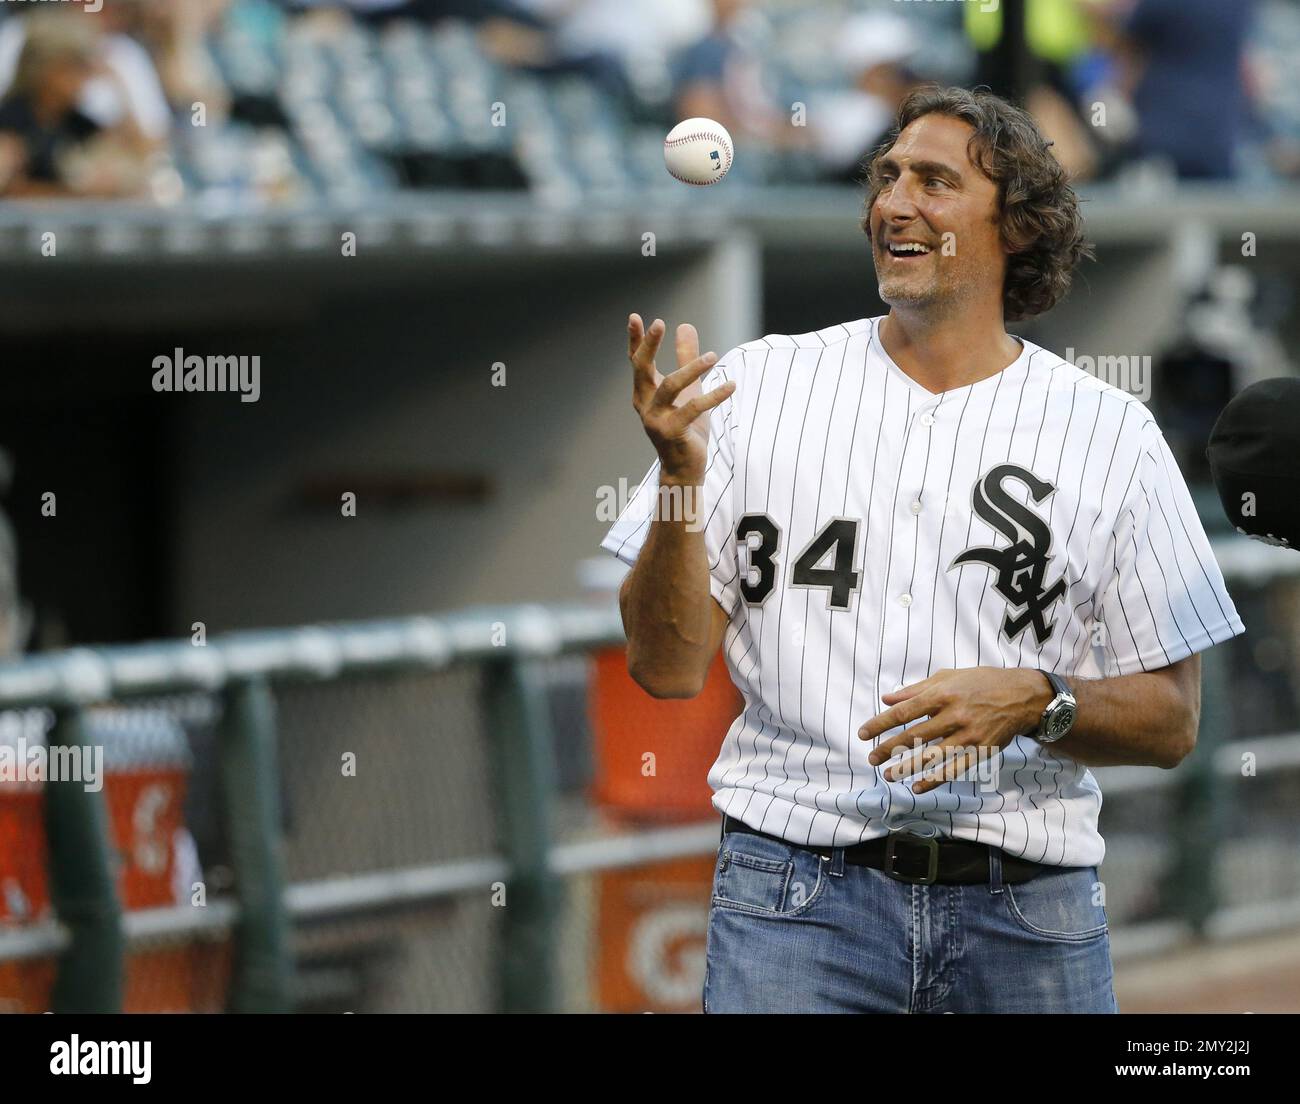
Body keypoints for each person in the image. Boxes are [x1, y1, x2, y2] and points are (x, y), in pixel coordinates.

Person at [602, 86, 1245, 1013]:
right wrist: (678, 480)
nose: (895, 203)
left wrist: (1038, 700)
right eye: (887, 177)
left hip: (1027, 907)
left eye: (935, 182)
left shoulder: (1111, 431)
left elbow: (1172, 723)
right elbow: (665, 668)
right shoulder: (756, 387)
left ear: (1015, 226)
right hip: (795, 898)